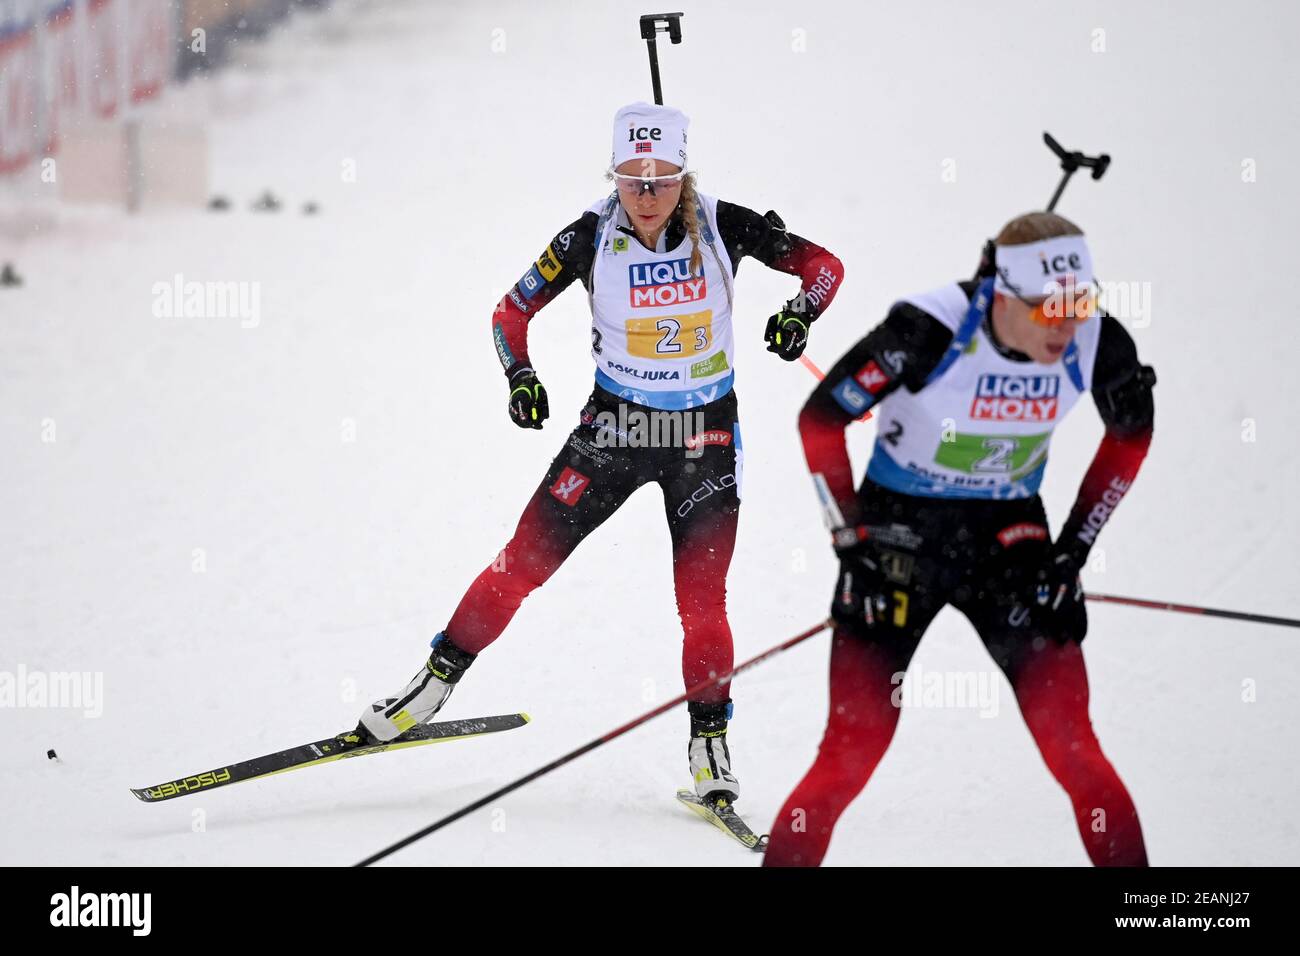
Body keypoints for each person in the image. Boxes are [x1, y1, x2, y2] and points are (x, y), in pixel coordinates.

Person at [355, 102, 844, 805]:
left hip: (703, 437)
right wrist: (520, 376)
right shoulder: (588, 234)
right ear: (613, 177)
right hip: (614, 430)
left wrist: (801, 312)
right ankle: (430, 687)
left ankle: (710, 744)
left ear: (684, 174)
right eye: (632, 179)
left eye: (663, 179)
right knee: (521, 562)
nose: (647, 196)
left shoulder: (722, 222)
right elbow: (509, 312)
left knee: (703, 604)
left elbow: (824, 267)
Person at [763, 211, 1155, 865]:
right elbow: (821, 420)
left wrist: (1073, 551)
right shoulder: (928, 330)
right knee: (849, 754)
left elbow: (1131, 435)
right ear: (1004, 294)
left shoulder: (1096, 340)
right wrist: (851, 541)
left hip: (1010, 538)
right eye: (1049, 308)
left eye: (1080, 304)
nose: (1067, 323)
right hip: (897, 541)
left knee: (1074, 748)